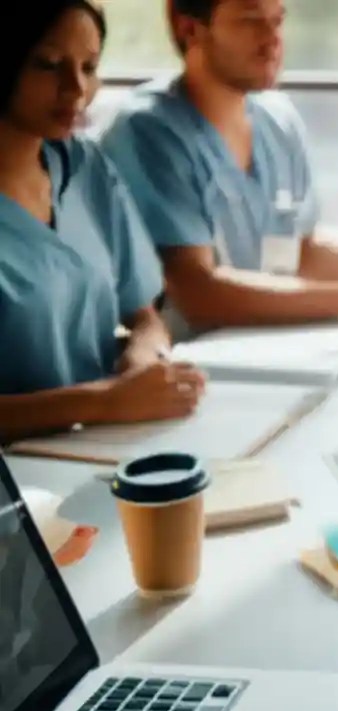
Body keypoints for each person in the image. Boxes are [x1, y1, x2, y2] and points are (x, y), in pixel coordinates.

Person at [99, 0, 338, 335]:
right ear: (188, 27)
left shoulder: (277, 120)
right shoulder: (149, 131)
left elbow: (301, 253)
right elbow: (196, 291)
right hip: (192, 368)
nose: (272, 40)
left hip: (272, 348)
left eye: (277, 20)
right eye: (251, 21)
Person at [0, 0, 206, 442]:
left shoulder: (85, 168)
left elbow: (145, 317)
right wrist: (104, 401)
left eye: (89, 67)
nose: (76, 89)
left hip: (98, 446)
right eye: (49, 65)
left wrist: (144, 361)